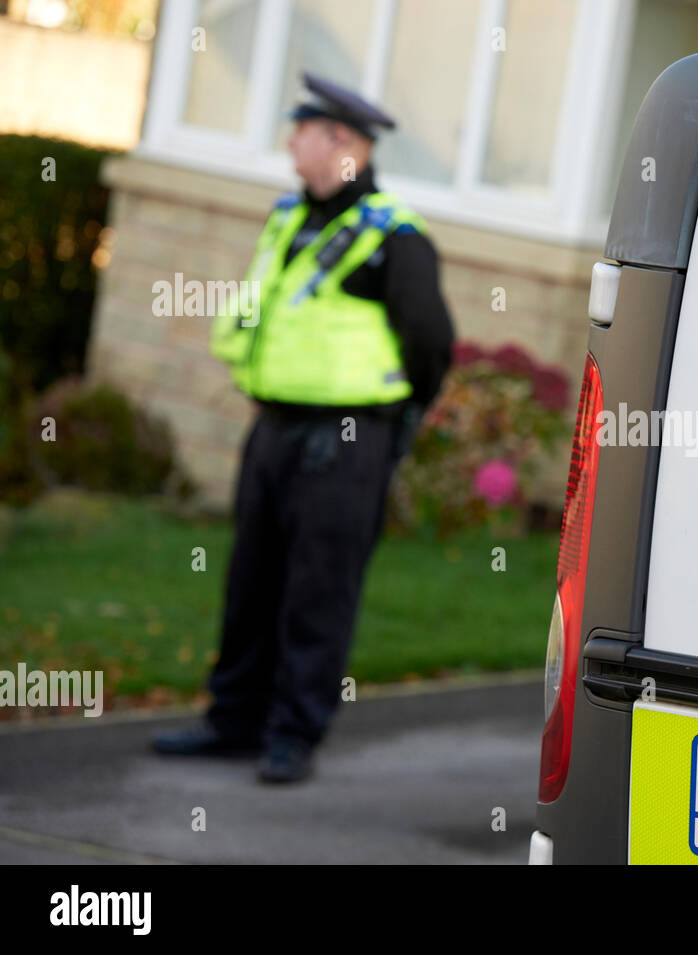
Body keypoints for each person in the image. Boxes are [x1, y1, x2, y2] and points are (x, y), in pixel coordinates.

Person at [152, 74, 455, 782]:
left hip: (347, 441)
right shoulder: (290, 218)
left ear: (341, 143)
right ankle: (233, 721)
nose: (290, 140)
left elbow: (431, 345)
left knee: (318, 589)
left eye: (302, 128)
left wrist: (393, 428)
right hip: (275, 428)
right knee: (250, 580)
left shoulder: (395, 239)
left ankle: (294, 733)